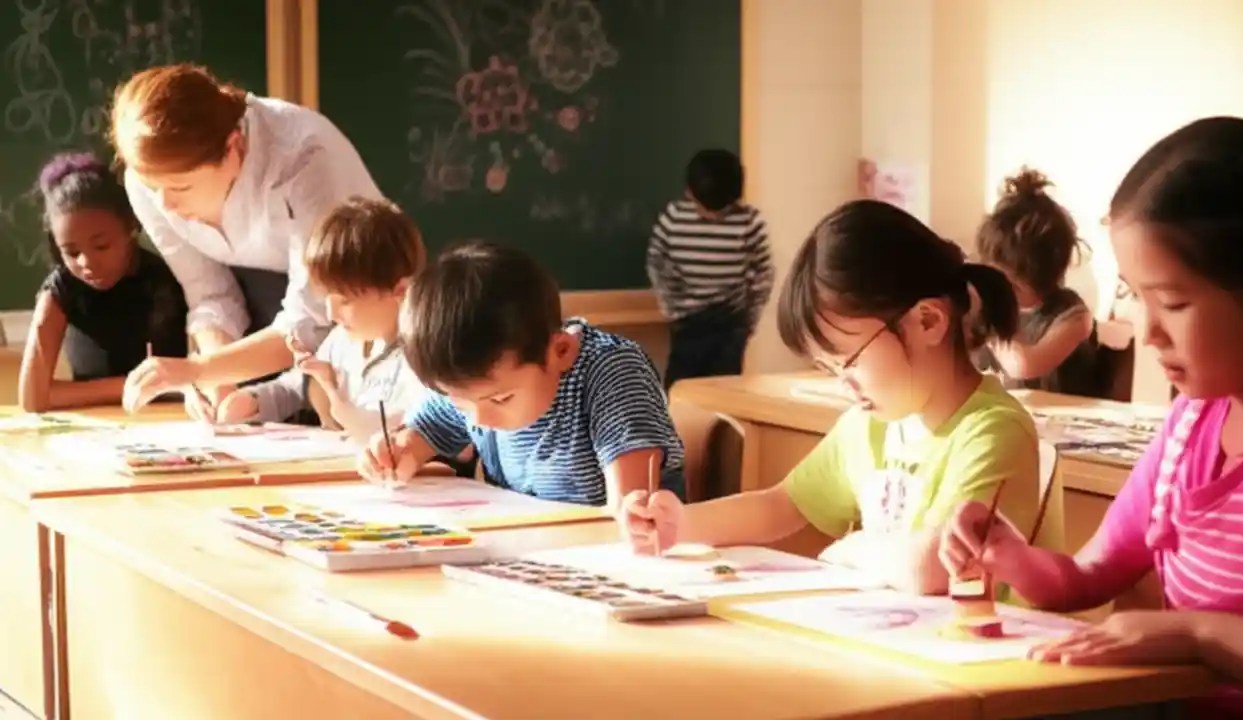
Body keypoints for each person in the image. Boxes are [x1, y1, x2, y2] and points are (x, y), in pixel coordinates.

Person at [940, 117, 1243, 718]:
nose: (1148, 333)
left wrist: (1197, 634)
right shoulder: (1191, 424)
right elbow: (1088, 576)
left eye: (1173, 302)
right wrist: (1011, 556)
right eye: (1134, 296)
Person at [621, 200, 1041, 594]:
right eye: (831, 369)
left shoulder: (993, 431)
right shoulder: (871, 426)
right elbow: (781, 505)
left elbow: (933, 567)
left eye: (850, 361)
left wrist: (854, 550)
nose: (846, 385)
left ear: (927, 322)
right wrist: (680, 523)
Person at [108, 63, 381, 419]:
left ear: (233, 146)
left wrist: (201, 369)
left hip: (368, 314)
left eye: (181, 187)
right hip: (276, 331)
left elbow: (311, 321)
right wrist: (216, 382)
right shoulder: (150, 184)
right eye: (151, 187)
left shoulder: (304, 158)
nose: (165, 205)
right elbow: (210, 294)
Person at [358, 240, 685, 508]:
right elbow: (420, 437)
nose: (481, 420)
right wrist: (396, 454)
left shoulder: (611, 373)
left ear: (560, 351)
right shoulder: (474, 386)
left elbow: (630, 512)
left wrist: (633, 515)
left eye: (502, 399)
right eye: (460, 404)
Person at [216, 198, 425, 443]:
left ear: (400, 291)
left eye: (345, 301)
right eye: (326, 297)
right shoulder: (343, 340)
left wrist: (336, 400)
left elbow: (412, 431)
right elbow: (296, 388)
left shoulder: (425, 356)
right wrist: (256, 400)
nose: (331, 314)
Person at [19, 153, 186, 412]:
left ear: (131, 226)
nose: (87, 263)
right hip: (97, 424)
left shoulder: (169, 279)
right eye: (71, 252)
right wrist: (134, 385)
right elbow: (32, 399)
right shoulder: (62, 289)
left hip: (166, 419)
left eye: (101, 246)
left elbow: (200, 377)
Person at [647, 148, 773, 389]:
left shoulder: (749, 221)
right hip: (688, 321)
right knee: (679, 390)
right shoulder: (674, 217)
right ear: (689, 193)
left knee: (724, 391)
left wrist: (750, 320)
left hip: (730, 322)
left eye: (722, 210)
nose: (714, 216)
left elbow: (763, 273)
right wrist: (671, 307)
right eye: (706, 209)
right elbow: (657, 261)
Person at [973, 168, 1099, 396]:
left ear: (1045, 284)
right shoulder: (982, 302)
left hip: (1066, 413)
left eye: (1012, 287)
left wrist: (992, 326)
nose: (998, 291)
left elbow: (1024, 366)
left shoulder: (1073, 317)